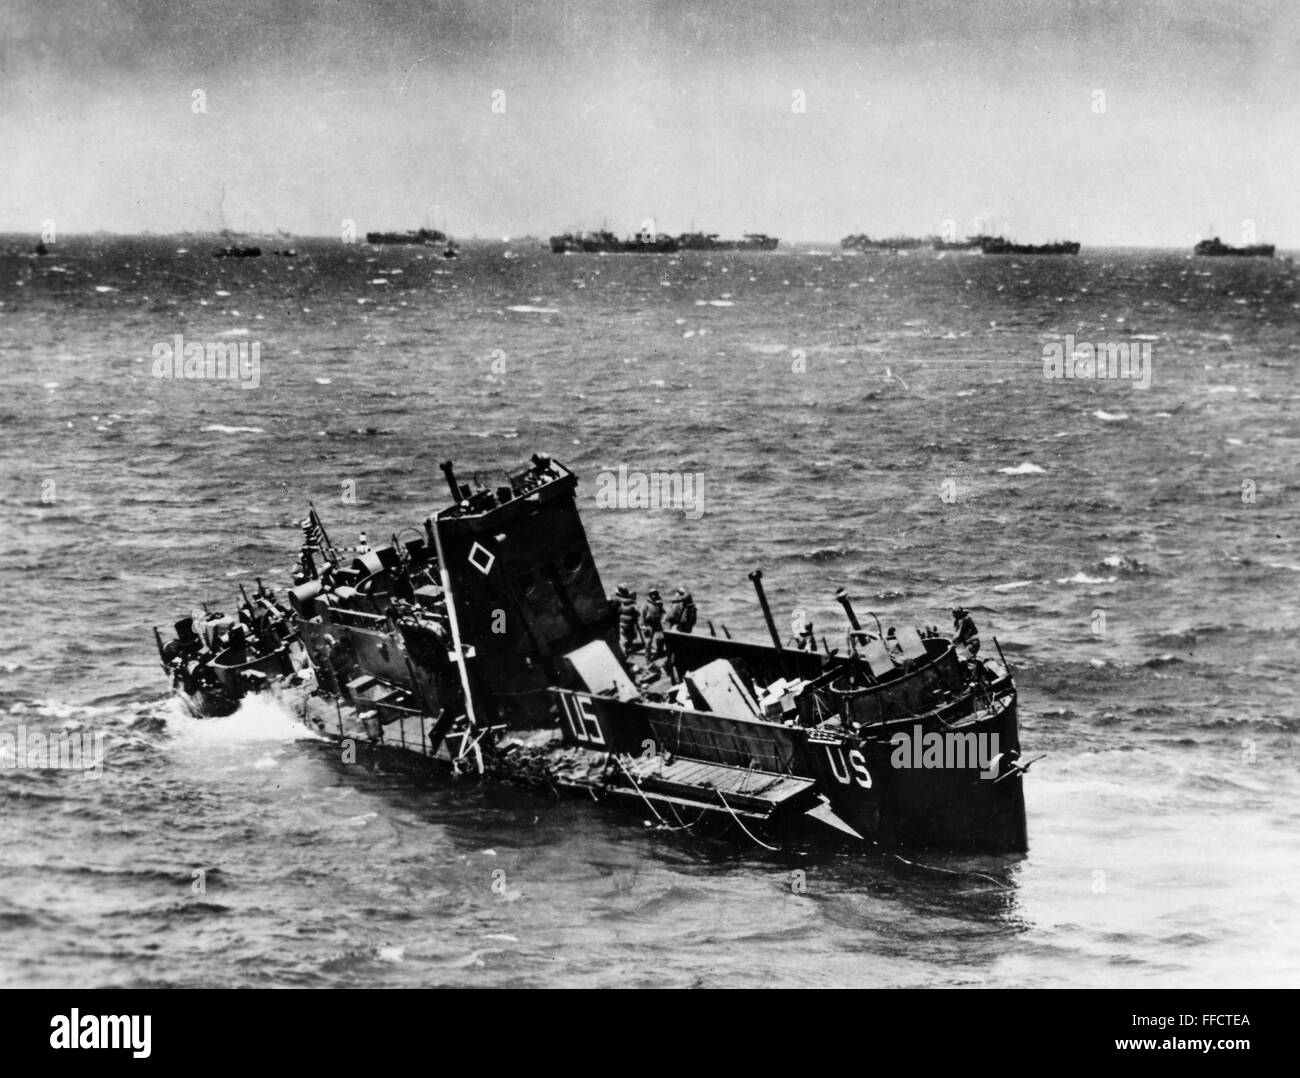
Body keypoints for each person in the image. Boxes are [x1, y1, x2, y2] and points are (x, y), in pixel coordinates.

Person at [612, 584, 639, 652]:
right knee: (630, 636)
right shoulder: (631, 603)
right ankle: (629, 647)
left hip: (622, 623)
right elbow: (637, 613)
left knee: (623, 638)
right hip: (630, 623)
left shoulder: (618, 600)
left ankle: (624, 651)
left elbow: (617, 611)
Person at [640, 588, 665, 659]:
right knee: (648, 642)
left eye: (655, 594)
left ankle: (659, 653)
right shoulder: (645, 604)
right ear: (650, 595)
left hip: (657, 624)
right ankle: (648, 658)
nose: (654, 595)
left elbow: (663, 612)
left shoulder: (658, 604)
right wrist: (643, 625)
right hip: (648, 625)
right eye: (652, 594)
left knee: (661, 638)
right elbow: (642, 615)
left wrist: (663, 619)